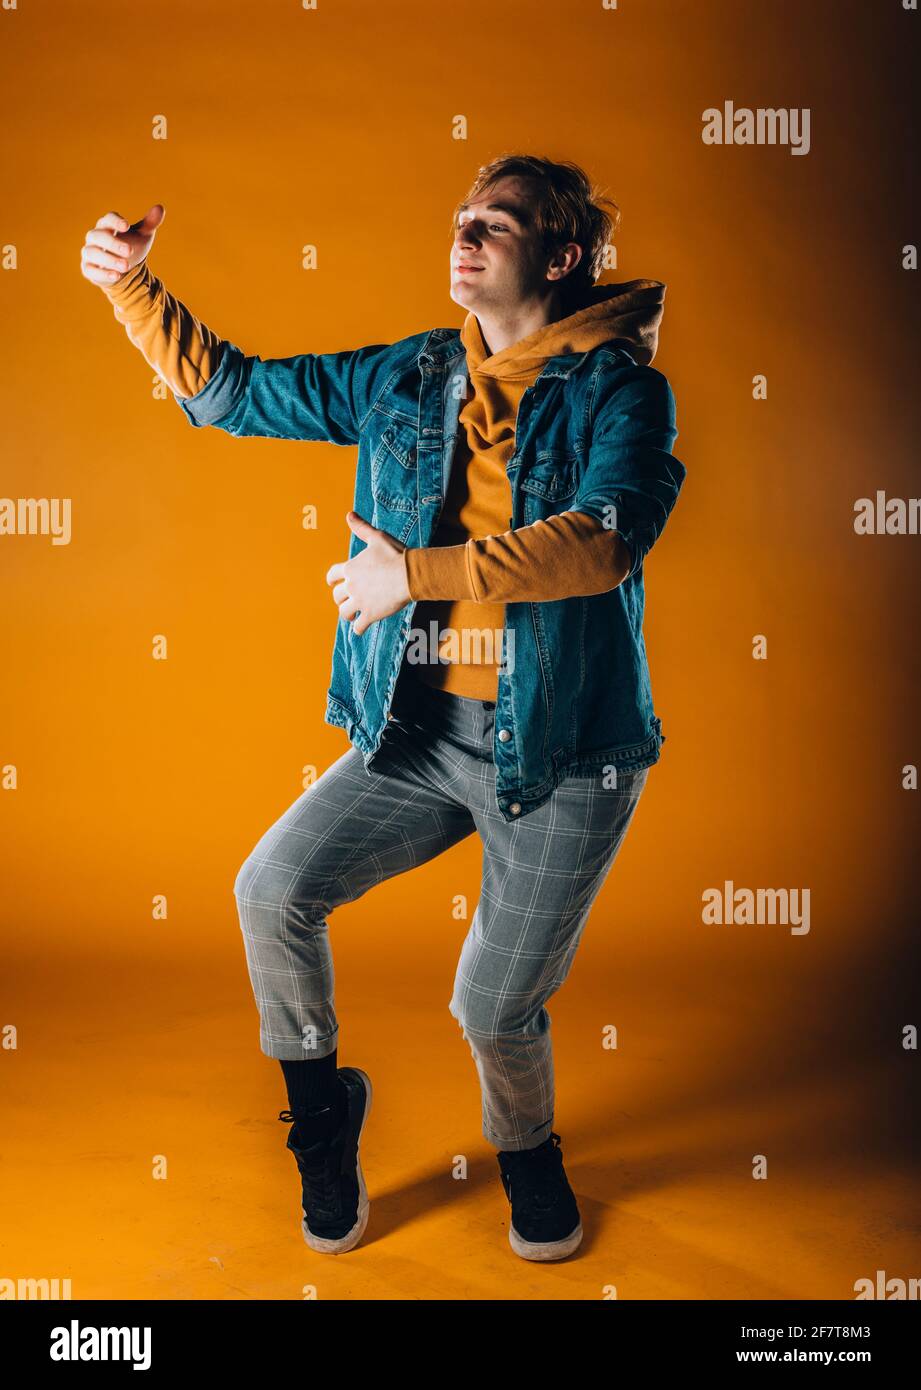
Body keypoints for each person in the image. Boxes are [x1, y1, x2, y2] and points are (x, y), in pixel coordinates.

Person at [81, 153, 686, 1263]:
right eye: (459, 218)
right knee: (270, 891)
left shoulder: (621, 391)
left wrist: (414, 575)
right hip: (421, 735)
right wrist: (131, 286)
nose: (465, 236)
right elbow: (236, 392)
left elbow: (605, 539)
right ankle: (323, 1123)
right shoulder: (412, 374)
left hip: (563, 753)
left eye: (494, 225)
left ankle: (528, 1152)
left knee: (493, 1007)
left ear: (560, 257)